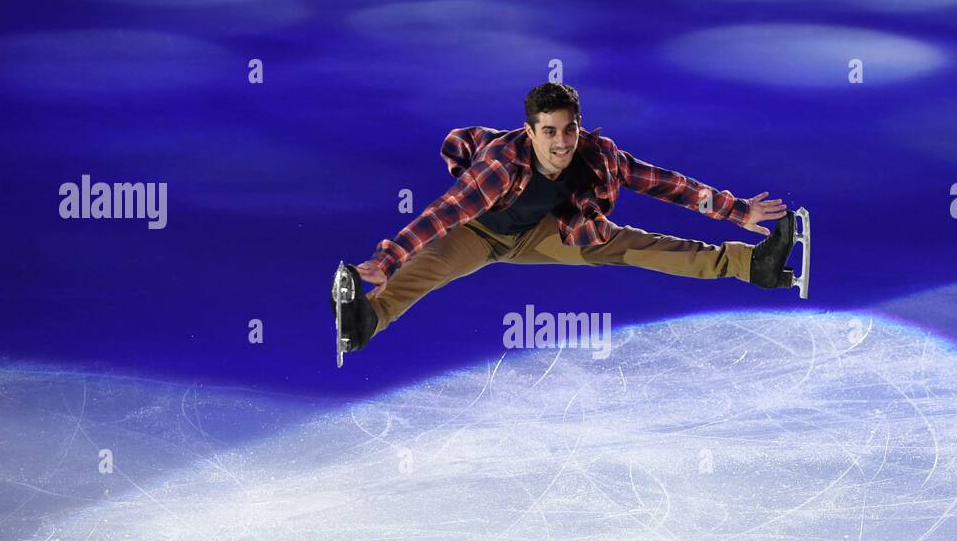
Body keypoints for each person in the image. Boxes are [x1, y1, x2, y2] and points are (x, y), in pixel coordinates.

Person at [340, 82, 801, 351]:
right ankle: (366, 322)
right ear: (530, 131)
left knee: (626, 246)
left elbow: (666, 184)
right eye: (549, 132)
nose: (561, 143)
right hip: (478, 231)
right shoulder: (501, 164)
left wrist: (737, 210)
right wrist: (388, 257)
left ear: (579, 126)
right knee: (426, 271)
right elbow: (444, 213)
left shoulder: (600, 155)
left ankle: (750, 265)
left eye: (569, 129)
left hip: (543, 232)